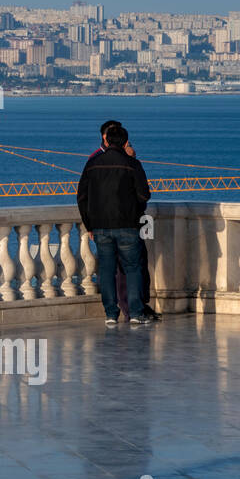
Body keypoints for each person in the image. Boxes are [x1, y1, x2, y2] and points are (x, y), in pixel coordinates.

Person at [77, 124, 153, 327]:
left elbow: (82, 197)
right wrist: (136, 210)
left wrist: (89, 224)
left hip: (100, 226)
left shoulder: (92, 164)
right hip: (128, 224)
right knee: (133, 268)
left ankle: (111, 314)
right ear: (125, 142)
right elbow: (145, 194)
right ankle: (136, 312)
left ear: (106, 140)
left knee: (107, 270)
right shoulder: (132, 164)